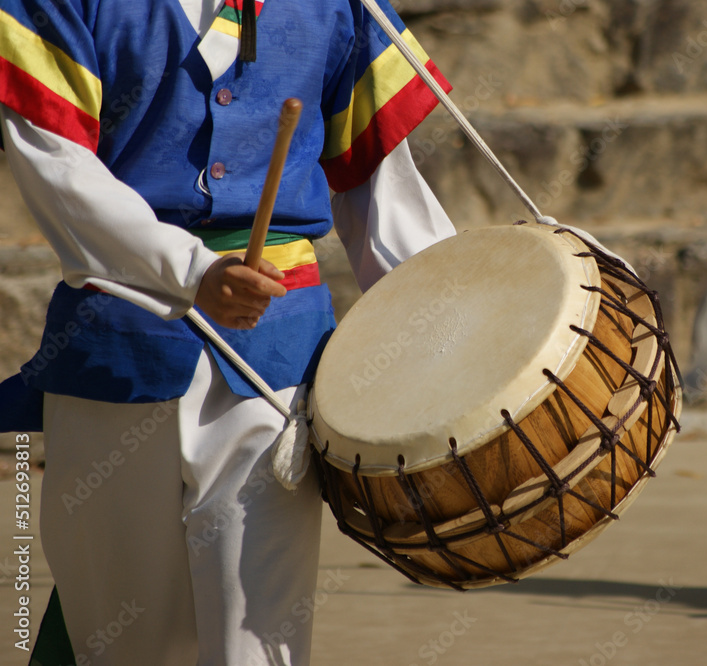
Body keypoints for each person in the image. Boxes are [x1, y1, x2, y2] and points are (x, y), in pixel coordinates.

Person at [0, 0, 455, 662]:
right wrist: (192, 271)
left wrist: (455, 341)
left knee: (259, 644)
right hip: (116, 354)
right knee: (124, 645)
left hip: (277, 363)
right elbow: (56, 166)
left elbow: (379, 187)